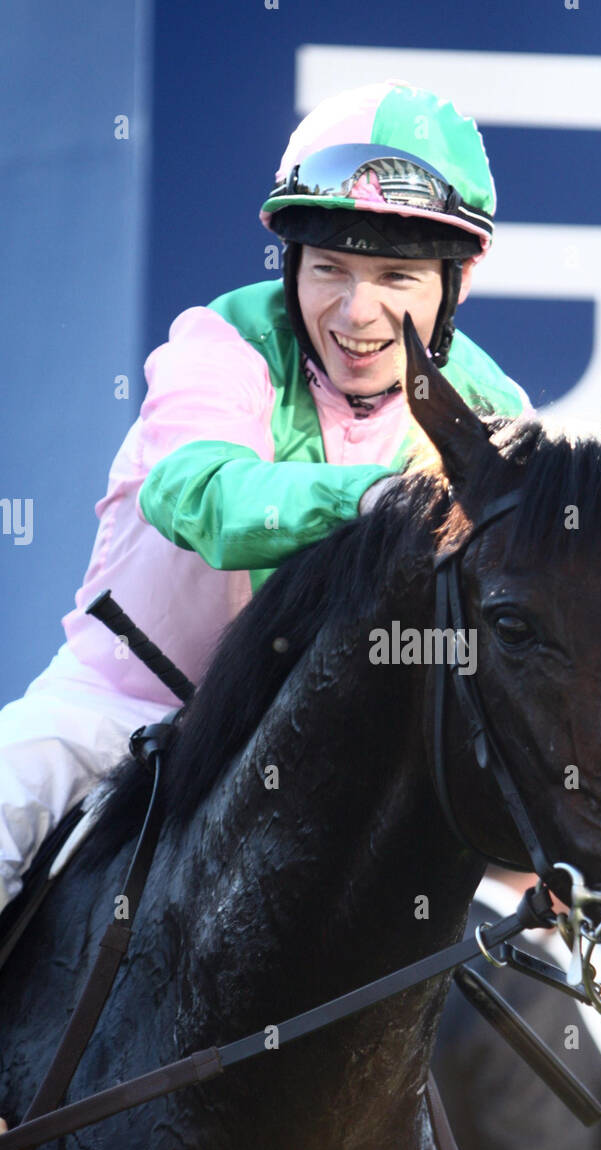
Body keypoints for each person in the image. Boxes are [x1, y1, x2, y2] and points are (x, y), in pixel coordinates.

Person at [0, 78, 529, 917]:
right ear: (290, 263)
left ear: (457, 281)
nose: (359, 313)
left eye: (397, 274)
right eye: (330, 269)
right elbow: (200, 494)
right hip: (117, 715)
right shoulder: (220, 341)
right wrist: (379, 499)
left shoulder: (492, 411)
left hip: (325, 758)